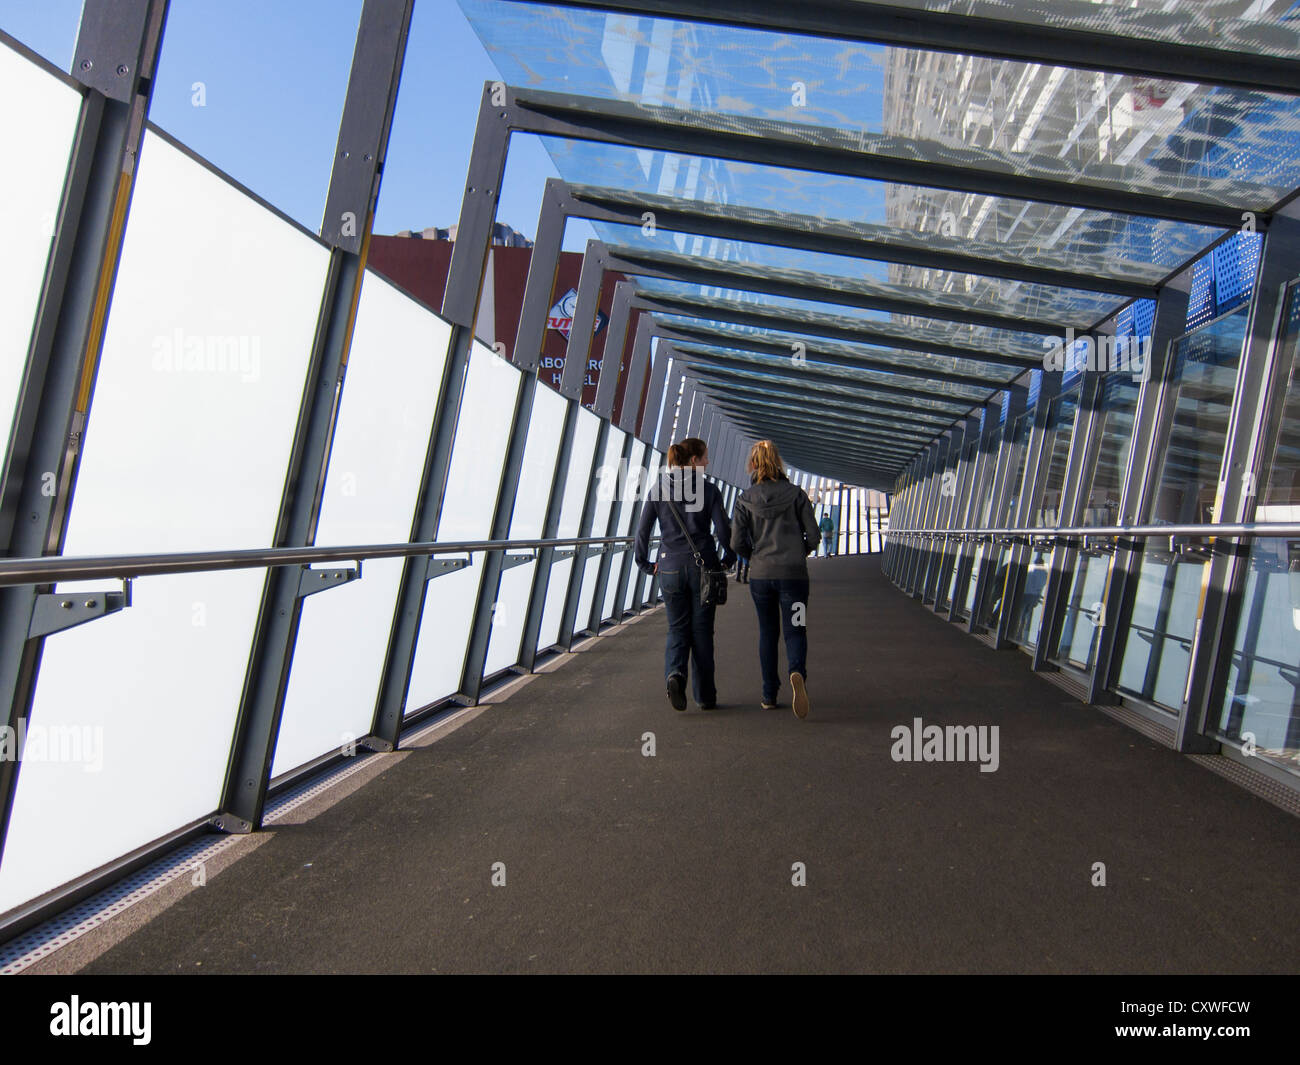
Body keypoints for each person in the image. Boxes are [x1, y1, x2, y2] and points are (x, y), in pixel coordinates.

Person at [634, 436, 735, 712]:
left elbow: (642, 532)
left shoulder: (658, 489)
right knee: (702, 631)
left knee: (677, 628)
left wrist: (644, 563)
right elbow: (724, 530)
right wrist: (730, 556)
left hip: (669, 567)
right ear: (693, 461)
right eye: (705, 457)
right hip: (704, 566)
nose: (708, 462)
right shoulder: (709, 490)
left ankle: (675, 675)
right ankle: (705, 696)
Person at [731, 440, 821, 719]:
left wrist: (754, 556)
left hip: (761, 578)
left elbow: (736, 542)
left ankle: (769, 694)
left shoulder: (745, 498)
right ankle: (797, 671)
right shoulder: (796, 495)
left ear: (754, 464)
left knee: (768, 633)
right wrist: (799, 552)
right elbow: (815, 536)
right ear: (778, 463)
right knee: (796, 629)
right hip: (794, 577)